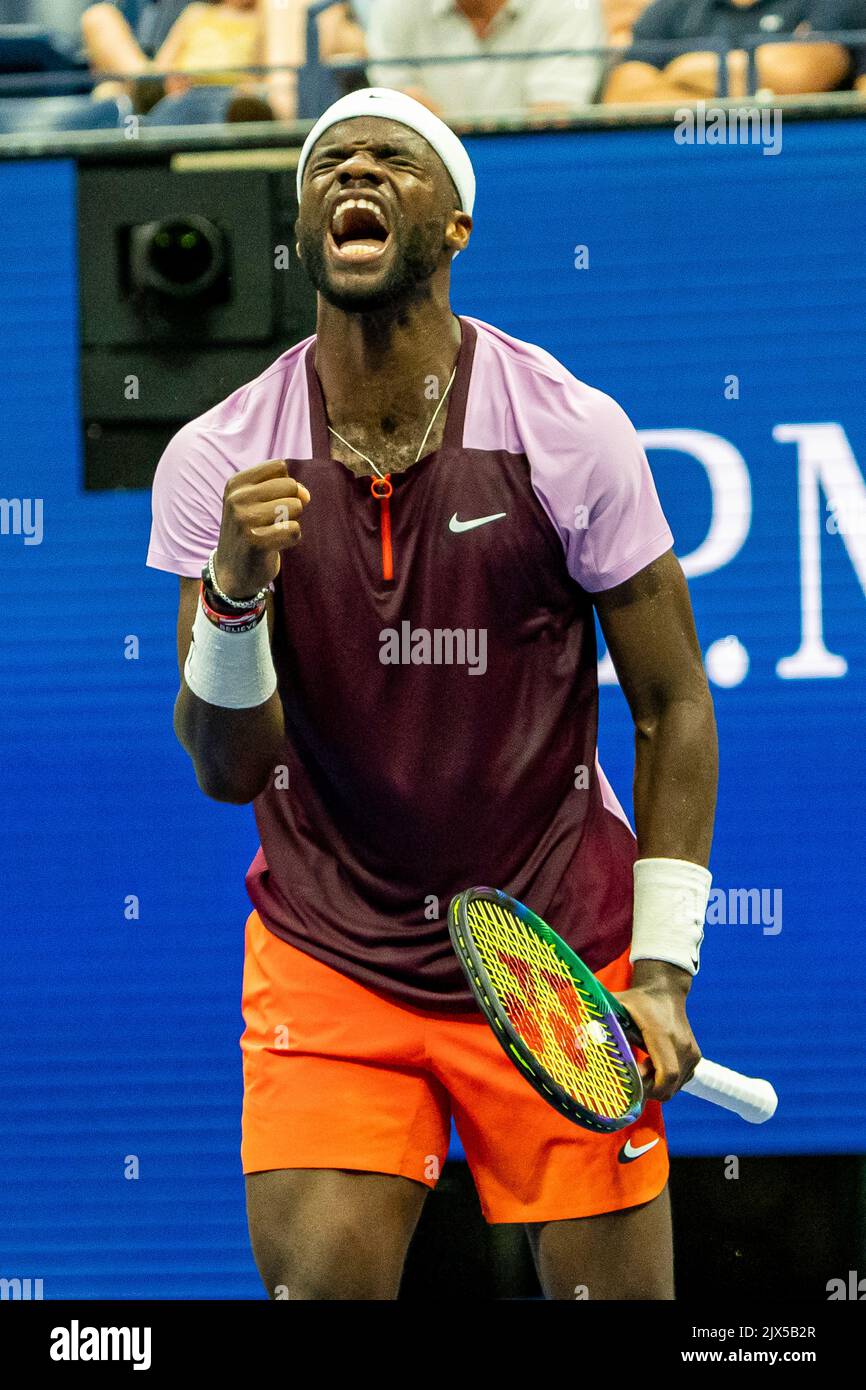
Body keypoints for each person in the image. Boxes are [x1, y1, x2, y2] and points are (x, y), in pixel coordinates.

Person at [147, 86, 718, 1300]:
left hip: (558, 952)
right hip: (329, 954)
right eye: (329, 162)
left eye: (391, 159)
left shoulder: (569, 430)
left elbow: (670, 703)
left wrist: (661, 973)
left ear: (453, 223)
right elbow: (224, 769)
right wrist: (235, 594)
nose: (354, 171)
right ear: (305, 225)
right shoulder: (216, 456)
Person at [366, 0, 605, 121]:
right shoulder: (393, 6)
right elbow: (401, 112)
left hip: (535, 173)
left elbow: (552, 120)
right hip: (429, 175)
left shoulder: (570, 6)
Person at [603, 0, 857, 103]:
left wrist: (677, 72)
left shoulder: (834, 3)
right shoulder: (671, 9)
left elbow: (799, 75)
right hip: (686, 159)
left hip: (793, 160)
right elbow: (623, 96)